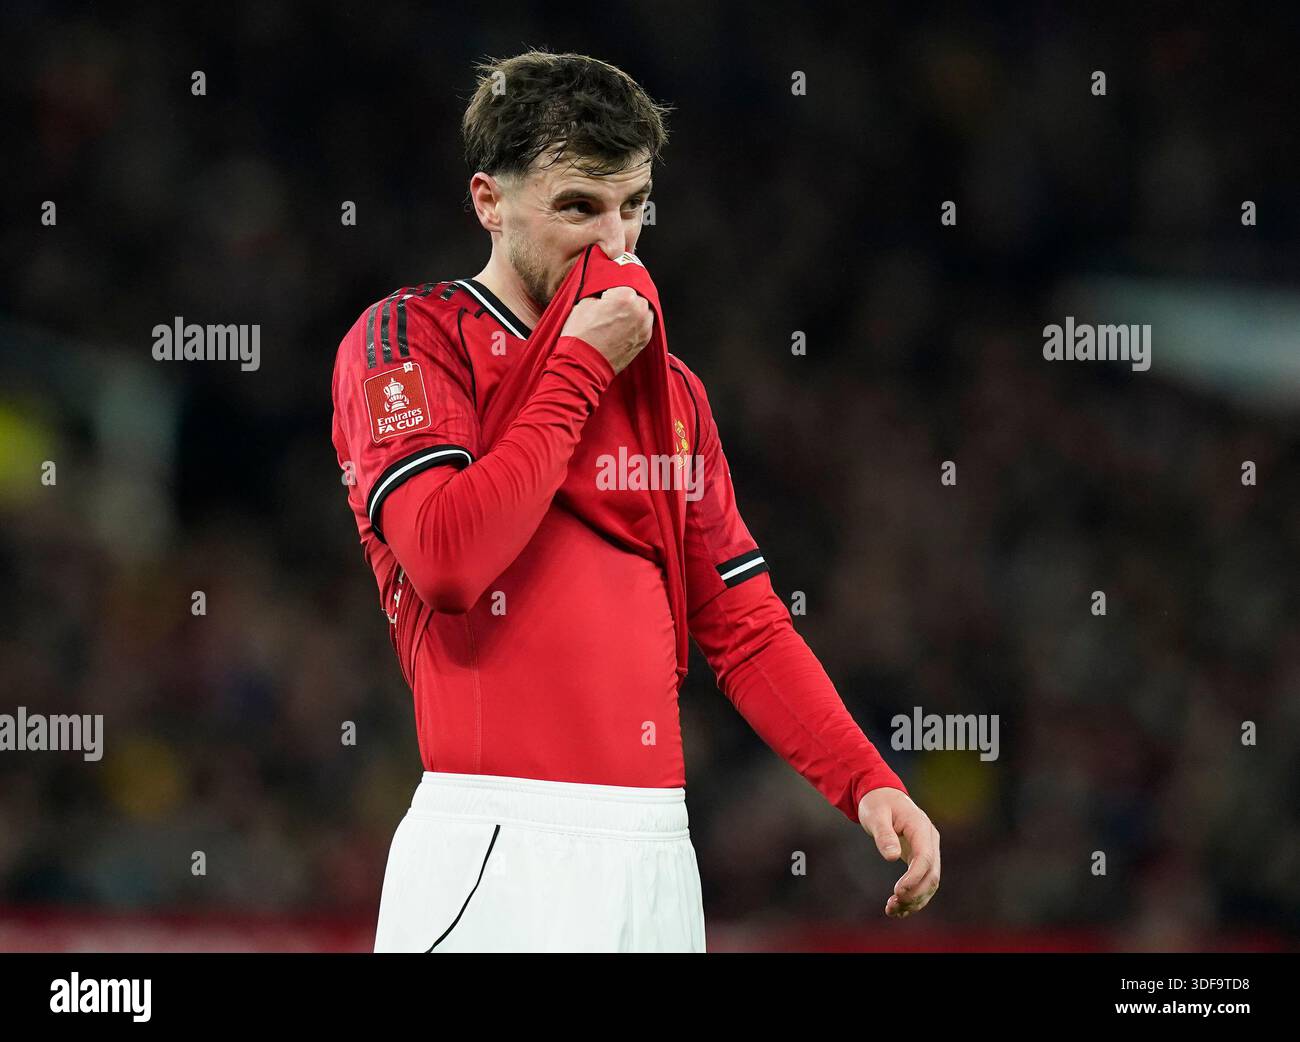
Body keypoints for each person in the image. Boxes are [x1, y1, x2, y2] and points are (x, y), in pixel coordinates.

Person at [330, 49, 940, 952]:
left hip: (655, 855)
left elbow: (742, 623)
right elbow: (450, 560)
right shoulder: (411, 338)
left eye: (633, 207)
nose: (614, 246)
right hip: (498, 846)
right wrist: (580, 363)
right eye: (579, 207)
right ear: (489, 201)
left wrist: (863, 779)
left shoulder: (674, 396)